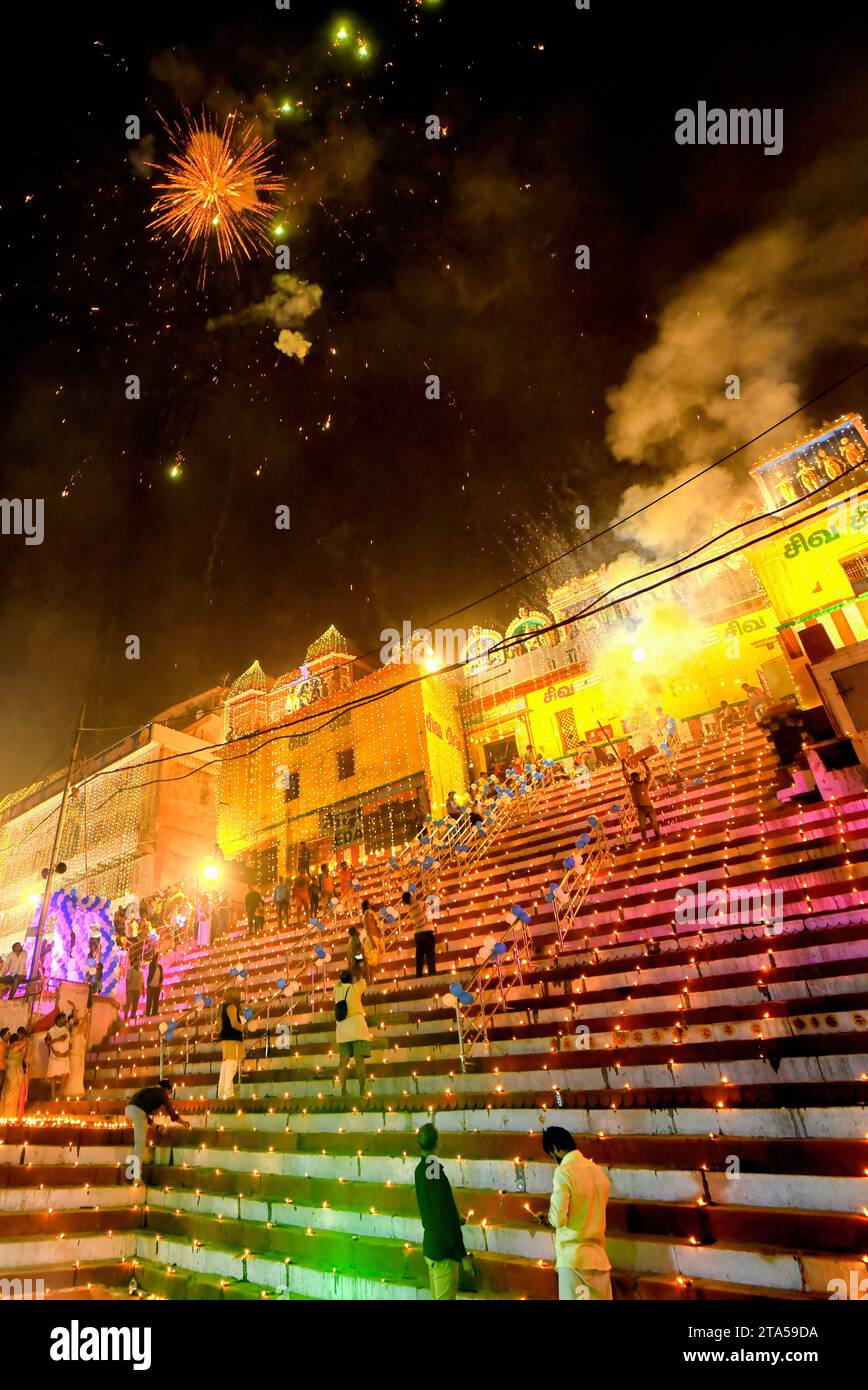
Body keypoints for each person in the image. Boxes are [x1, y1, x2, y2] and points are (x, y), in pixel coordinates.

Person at [536, 1127, 612, 1301]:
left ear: (555, 1149)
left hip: (574, 1261)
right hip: (599, 1259)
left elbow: (557, 1218)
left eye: (551, 1155)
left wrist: (549, 1218)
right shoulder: (598, 1171)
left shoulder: (564, 1171)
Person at [414, 1123, 469, 1300]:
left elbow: (436, 1208)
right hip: (442, 1251)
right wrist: (463, 1255)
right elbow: (441, 1216)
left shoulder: (421, 1168)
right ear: (437, 1142)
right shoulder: (433, 1169)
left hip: (431, 1247)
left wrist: (454, 1217)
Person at [124, 1079, 189, 1166]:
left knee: (139, 1144)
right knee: (139, 1145)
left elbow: (142, 1113)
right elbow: (170, 1111)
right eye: (168, 1093)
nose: (167, 1096)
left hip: (128, 1110)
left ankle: (135, 1168)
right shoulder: (161, 1092)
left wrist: (157, 1127)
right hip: (137, 1112)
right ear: (167, 1089)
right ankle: (136, 1177)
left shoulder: (150, 1089)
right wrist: (183, 1122)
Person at [334, 967, 371, 1097]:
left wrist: (344, 974)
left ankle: (343, 1090)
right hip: (357, 1028)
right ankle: (362, 1090)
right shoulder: (355, 989)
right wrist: (356, 971)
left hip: (342, 1031)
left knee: (343, 1061)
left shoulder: (336, 991)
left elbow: (338, 983)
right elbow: (363, 980)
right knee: (359, 1061)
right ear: (351, 980)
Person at [217, 987, 245, 1099]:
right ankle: (229, 1093)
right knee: (232, 1066)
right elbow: (234, 1023)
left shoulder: (221, 1007)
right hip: (234, 1040)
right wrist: (243, 1027)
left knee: (225, 1066)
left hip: (225, 1040)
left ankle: (221, 1093)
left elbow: (218, 1025)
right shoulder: (231, 1007)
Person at [403, 889, 436, 976]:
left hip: (418, 934)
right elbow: (429, 907)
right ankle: (432, 974)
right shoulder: (418, 903)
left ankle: (419, 975)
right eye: (412, 895)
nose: (414, 895)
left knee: (419, 957)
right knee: (430, 956)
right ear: (410, 898)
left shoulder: (409, 910)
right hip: (427, 932)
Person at [1, 1028, 29, 1116]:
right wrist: (16, 1043)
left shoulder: (7, 1049)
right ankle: (9, 1113)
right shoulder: (14, 1049)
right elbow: (25, 1043)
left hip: (10, 1072)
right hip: (13, 1073)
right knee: (13, 1091)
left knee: (8, 1090)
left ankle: (6, 1111)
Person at [628, 770, 661, 842]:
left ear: (638, 777)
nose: (634, 779)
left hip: (649, 807)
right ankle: (644, 842)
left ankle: (659, 839)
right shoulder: (631, 786)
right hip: (640, 809)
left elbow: (649, 774)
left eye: (635, 777)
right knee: (642, 828)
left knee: (655, 825)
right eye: (632, 777)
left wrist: (644, 763)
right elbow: (625, 776)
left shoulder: (644, 783)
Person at [45, 1010, 71, 1101]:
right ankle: (52, 1096)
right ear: (58, 1020)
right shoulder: (51, 1031)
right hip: (54, 1057)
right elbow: (47, 1042)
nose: (65, 1020)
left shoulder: (67, 1031)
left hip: (65, 1057)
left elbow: (70, 1044)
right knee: (53, 1076)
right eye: (63, 1019)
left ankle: (60, 1094)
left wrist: (66, 1053)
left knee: (66, 1074)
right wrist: (58, 1039)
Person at [62, 1007, 88, 1098]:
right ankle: (71, 1092)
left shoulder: (78, 1031)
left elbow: (83, 1024)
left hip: (78, 1056)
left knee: (77, 1074)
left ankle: (76, 1091)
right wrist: (85, 1015)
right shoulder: (74, 1031)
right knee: (73, 1073)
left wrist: (86, 1015)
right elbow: (80, 1022)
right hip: (74, 1056)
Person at [361, 899, 383, 977]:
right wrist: (373, 941)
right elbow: (368, 930)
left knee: (373, 963)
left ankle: (371, 980)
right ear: (368, 905)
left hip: (375, 939)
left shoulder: (370, 914)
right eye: (371, 902)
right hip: (372, 939)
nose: (373, 902)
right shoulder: (368, 914)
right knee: (370, 962)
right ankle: (370, 981)